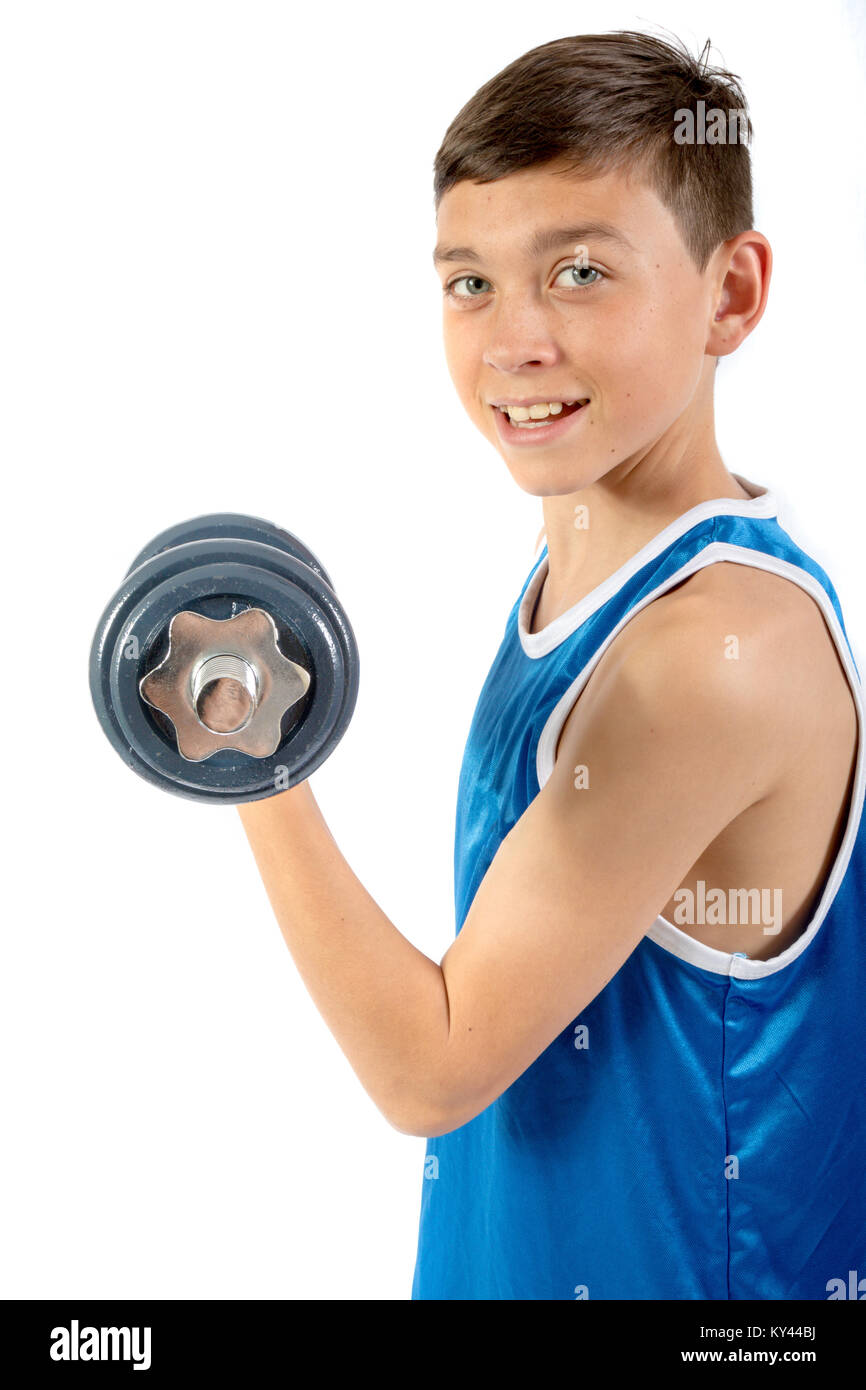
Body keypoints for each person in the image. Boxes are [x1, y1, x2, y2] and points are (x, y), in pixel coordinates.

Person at [238, 31, 865, 1299]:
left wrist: (253, 760)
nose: (510, 341)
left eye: (579, 272)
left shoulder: (707, 655)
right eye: (469, 282)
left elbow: (431, 1065)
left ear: (729, 294)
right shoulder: (588, 565)